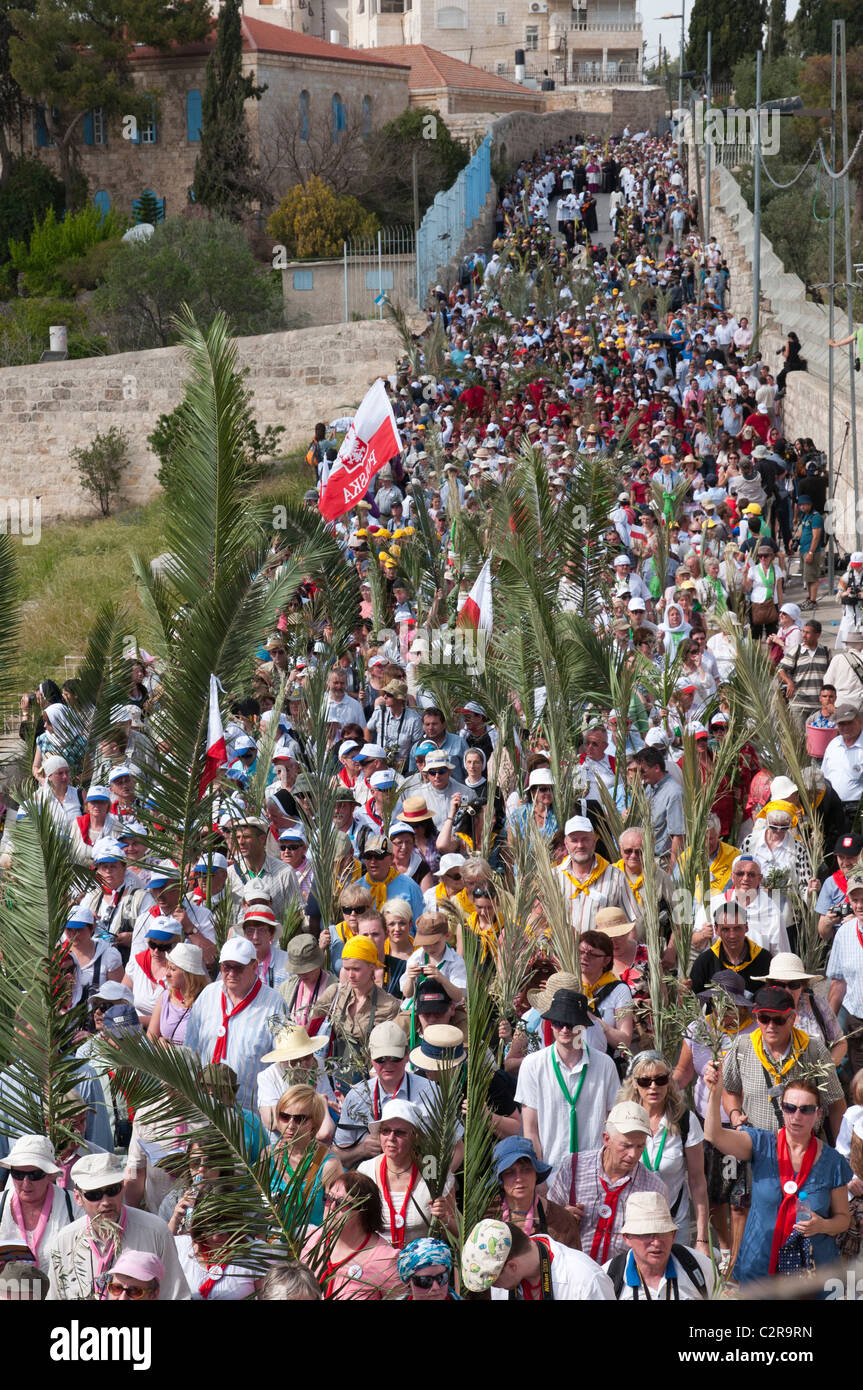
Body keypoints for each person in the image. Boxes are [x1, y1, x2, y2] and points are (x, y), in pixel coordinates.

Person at [704, 1062, 851, 1283]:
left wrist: (822, 1225)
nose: (797, 1116)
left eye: (806, 1109)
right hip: (759, 1268)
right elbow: (714, 1135)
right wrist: (715, 1092)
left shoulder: (833, 1162)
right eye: (790, 1108)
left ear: (818, 1113)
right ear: (782, 1108)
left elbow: (843, 1219)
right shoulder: (761, 1143)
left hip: (813, 1273)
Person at [45, 1152, 189, 1300]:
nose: (106, 1201)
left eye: (112, 1190)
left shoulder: (155, 1231)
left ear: (122, 1188)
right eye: (94, 1195)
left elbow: (176, 1295)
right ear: (78, 1198)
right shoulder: (65, 1240)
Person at [515, 989, 621, 1185]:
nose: (564, 1029)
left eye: (571, 1023)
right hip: (551, 1176)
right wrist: (539, 1181)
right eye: (557, 1022)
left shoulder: (605, 1065)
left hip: (595, 1176)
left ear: (583, 1026)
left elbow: (613, 1124)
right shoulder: (532, 1064)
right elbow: (531, 1131)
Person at [721, 986, 846, 1143]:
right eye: (764, 1019)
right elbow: (730, 1090)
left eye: (779, 1020)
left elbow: (836, 1104)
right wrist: (735, 1115)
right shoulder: (742, 1046)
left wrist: (843, 1151)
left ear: (792, 1018)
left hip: (804, 1148)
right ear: (756, 1017)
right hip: (757, 1149)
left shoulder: (813, 1050)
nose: (771, 1026)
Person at [616, 1052, 710, 1251]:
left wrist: (702, 1238)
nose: (653, 1087)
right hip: (630, 1224)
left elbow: (697, 1181)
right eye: (645, 1081)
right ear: (634, 1083)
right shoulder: (621, 1118)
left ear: (668, 1082)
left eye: (660, 1079)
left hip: (673, 1224)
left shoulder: (685, 1120)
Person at [184, 938, 288, 1110]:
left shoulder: (274, 1003)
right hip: (205, 1107)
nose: (231, 973)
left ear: (254, 966)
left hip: (249, 1112)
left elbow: (281, 1062)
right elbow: (190, 1048)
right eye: (226, 967)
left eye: (238, 967)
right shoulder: (208, 994)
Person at [359, 1098, 456, 1248]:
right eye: (385, 1131)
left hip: (422, 1264)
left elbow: (458, 1233)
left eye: (400, 1132)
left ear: (416, 1137)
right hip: (376, 1264)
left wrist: (444, 1218)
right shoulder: (366, 1171)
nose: (391, 1138)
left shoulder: (433, 1170)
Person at [303, 1170, 402, 1300]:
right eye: (328, 1198)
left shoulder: (385, 1259)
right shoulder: (313, 1239)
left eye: (341, 1203)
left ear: (364, 1211)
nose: (331, 1207)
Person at [461, 1218, 615, 1300]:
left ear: (512, 1266)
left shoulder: (587, 1279)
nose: (494, 1287)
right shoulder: (505, 1274)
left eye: (494, 1281)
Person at [603, 1190, 715, 1300]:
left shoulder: (699, 1266)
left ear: (673, 1234)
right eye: (647, 1234)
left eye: (663, 1233)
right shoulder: (607, 1278)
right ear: (627, 1238)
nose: (656, 1243)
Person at [487, 1135, 581, 1249]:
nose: (519, 1178)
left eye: (526, 1170)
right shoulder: (485, 1215)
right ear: (500, 1180)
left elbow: (571, 1264)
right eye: (509, 1172)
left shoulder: (562, 1221)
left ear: (536, 1174)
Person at [268, 1084, 341, 1225]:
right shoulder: (268, 1156)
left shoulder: (329, 1164)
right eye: (284, 1116)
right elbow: (253, 1200)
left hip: (314, 1243)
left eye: (299, 1118)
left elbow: (336, 1218)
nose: (291, 1125)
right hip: (275, 1242)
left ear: (314, 1121)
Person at [0, 1136, 75, 1271]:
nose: (26, 1183)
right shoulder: (1, 1204)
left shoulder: (73, 1207)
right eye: (18, 1174)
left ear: (50, 1174)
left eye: (35, 1175)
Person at [146, 941, 209, 1047]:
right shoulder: (166, 997)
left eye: (173, 969)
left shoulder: (206, 1002)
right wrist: (159, 1045)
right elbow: (150, 1039)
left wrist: (175, 1051)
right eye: (168, 967)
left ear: (188, 974)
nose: (167, 974)